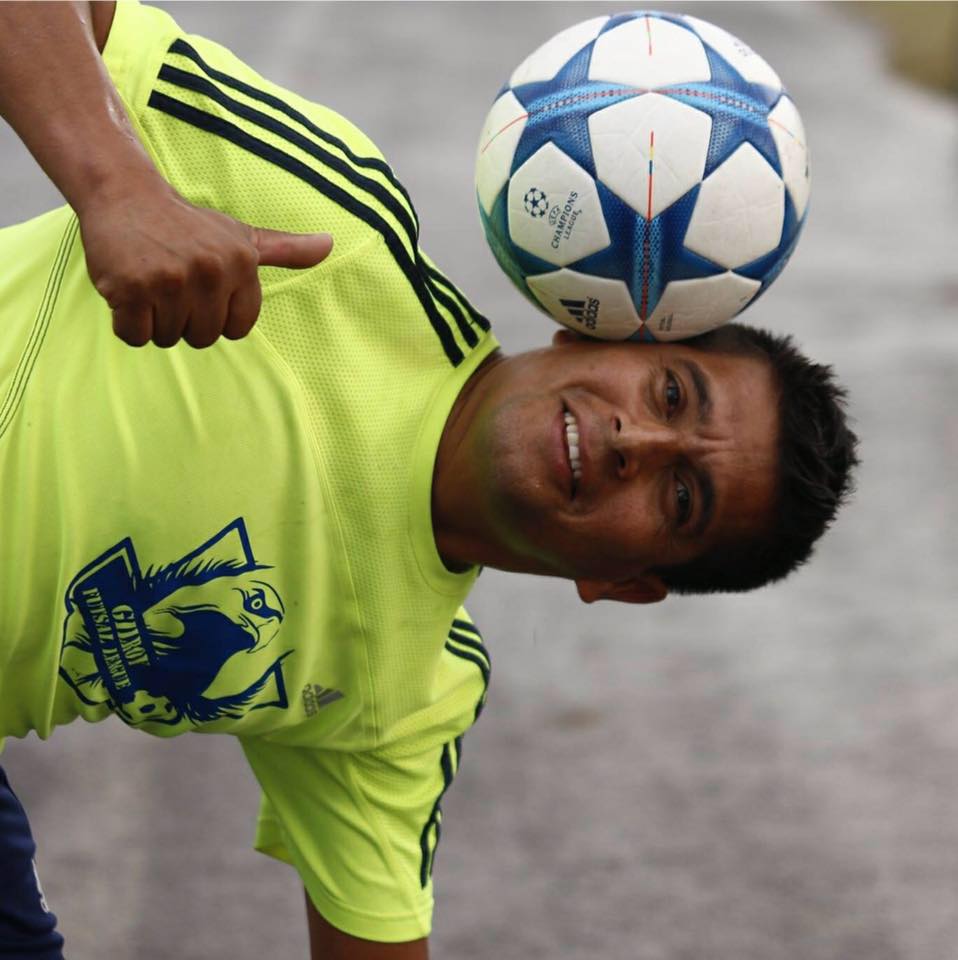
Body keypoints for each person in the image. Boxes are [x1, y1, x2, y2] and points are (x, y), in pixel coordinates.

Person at [0, 3, 858, 958]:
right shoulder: (339, 230)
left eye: (681, 499)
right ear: (601, 328)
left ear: (625, 584)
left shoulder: (401, 696)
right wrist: (116, 184)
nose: (638, 444)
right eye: (670, 392)